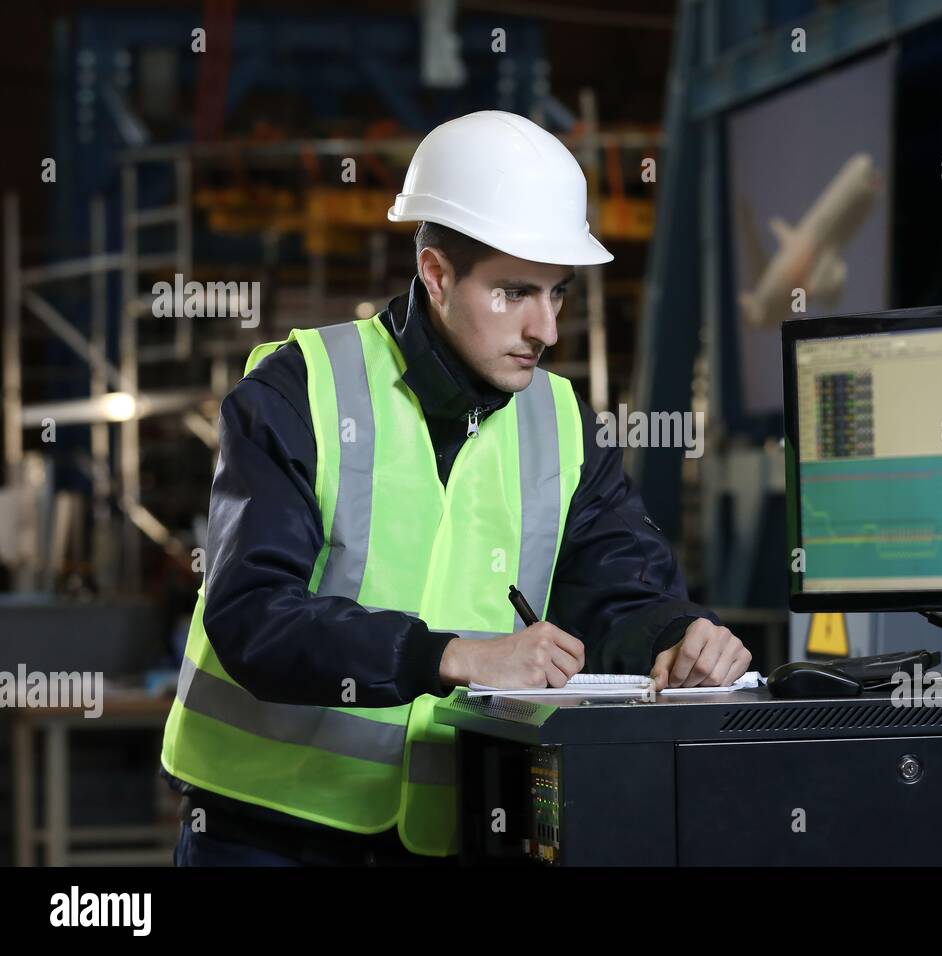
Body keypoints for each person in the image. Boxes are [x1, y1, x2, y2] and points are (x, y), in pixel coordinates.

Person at [161, 111, 749, 866]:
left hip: (451, 834)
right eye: (514, 292)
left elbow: (618, 594)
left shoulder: (563, 421)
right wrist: (454, 655)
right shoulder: (300, 388)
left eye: (558, 294)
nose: (547, 329)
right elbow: (254, 615)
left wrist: (678, 637)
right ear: (436, 275)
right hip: (264, 835)